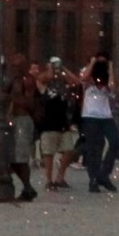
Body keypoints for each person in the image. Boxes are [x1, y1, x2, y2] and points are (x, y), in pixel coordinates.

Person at [77, 52, 119, 192]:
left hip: (105, 116)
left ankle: (103, 173)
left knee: (115, 141)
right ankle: (93, 179)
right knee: (94, 149)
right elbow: (83, 78)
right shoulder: (88, 75)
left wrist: (110, 67)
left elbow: (112, 87)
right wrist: (93, 62)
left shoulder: (107, 76)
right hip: (90, 116)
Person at [37, 58, 75, 189]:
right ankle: (49, 180)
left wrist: (64, 69)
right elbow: (45, 78)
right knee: (49, 153)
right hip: (48, 122)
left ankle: (60, 177)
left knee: (69, 150)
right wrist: (50, 68)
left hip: (63, 122)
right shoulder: (43, 83)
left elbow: (76, 82)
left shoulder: (63, 83)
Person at [8, 63, 41, 201]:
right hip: (15, 120)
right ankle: (27, 187)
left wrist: (14, 100)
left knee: (20, 158)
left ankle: (27, 188)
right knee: (11, 159)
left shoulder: (27, 81)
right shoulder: (14, 80)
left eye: (19, 63)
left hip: (23, 120)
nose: (16, 66)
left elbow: (30, 104)